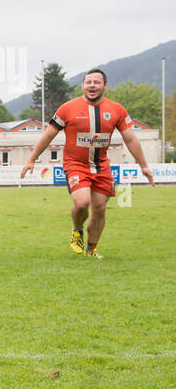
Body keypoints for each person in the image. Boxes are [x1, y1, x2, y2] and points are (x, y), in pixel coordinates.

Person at [19, 68, 155, 258]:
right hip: (75, 164)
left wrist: (144, 166)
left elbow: (131, 139)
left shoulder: (117, 110)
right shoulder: (67, 108)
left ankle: (91, 249)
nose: (92, 85)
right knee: (82, 202)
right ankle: (77, 230)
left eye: (96, 82)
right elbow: (49, 134)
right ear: (83, 85)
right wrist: (31, 159)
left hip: (101, 166)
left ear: (105, 86)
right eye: (88, 82)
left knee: (99, 208)